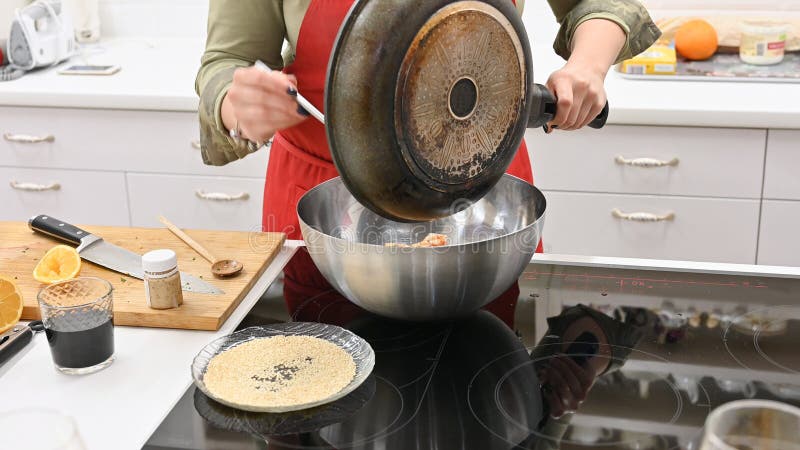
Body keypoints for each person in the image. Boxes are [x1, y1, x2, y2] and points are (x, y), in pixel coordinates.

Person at [196, 0, 660, 324]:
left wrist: (587, 66)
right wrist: (237, 105)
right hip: (330, 212)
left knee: (488, 363)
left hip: (479, 192)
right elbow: (226, 61)